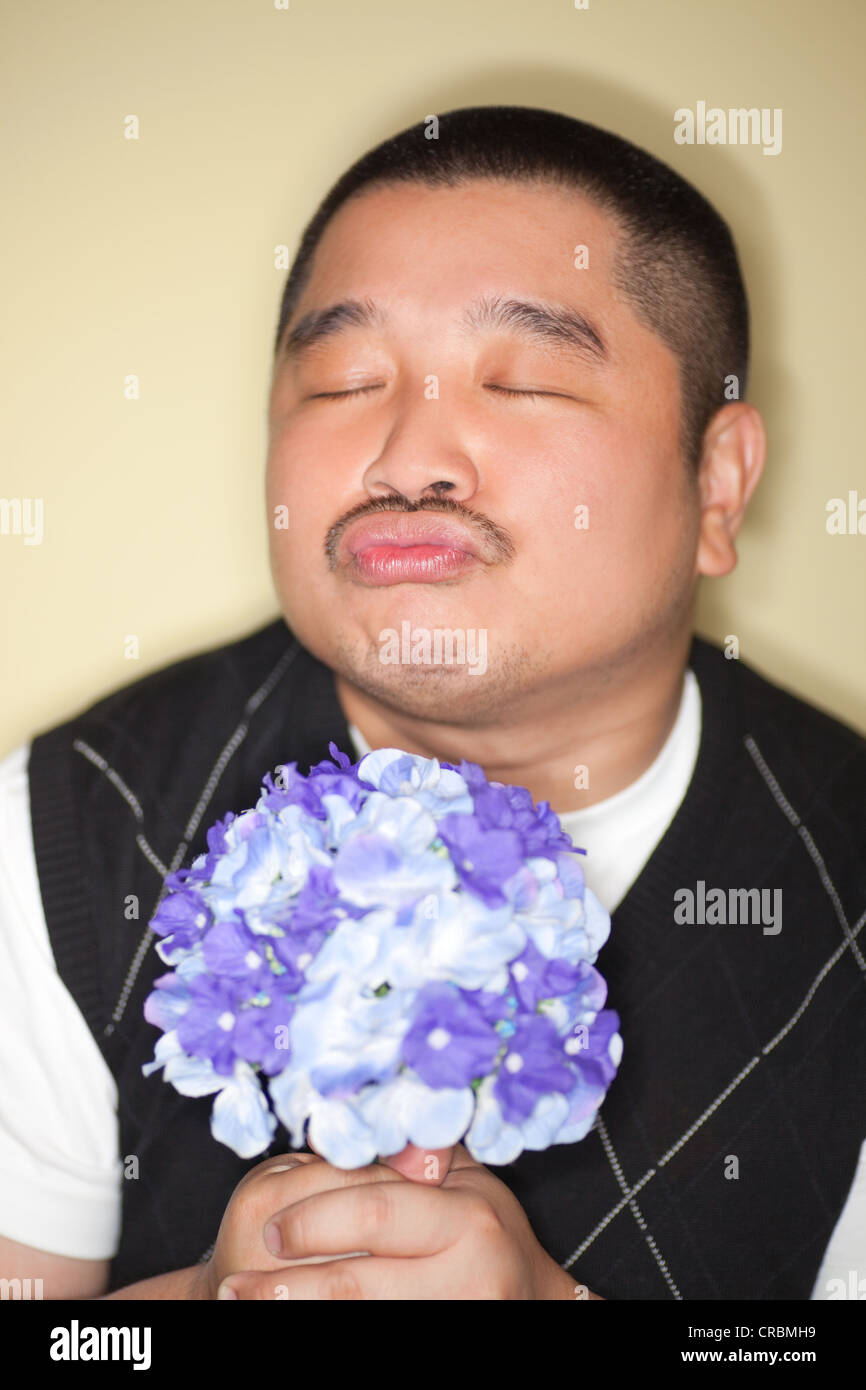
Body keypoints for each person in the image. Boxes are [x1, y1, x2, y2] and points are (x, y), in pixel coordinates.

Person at [1, 106, 863, 1301]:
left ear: (715, 483)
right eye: (345, 378)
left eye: (520, 379)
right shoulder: (68, 827)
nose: (410, 455)